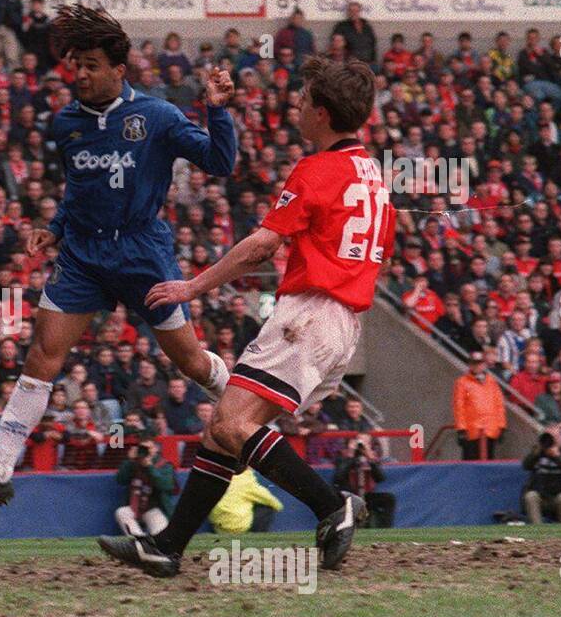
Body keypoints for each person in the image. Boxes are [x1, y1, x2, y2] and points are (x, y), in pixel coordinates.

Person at [98, 55, 394, 578]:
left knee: (233, 424)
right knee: (222, 432)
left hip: (309, 314)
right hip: (344, 323)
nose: (297, 109)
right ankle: (168, 546)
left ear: (322, 114)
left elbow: (261, 247)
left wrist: (193, 285)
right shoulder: (373, 174)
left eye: (303, 102)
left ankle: (331, 504)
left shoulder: (316, 169)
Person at [0, 4, 236, 518]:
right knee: (42, 355)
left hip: (143, 254)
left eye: (90, 65)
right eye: (74, 64)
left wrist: (216, 109)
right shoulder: (66, 123)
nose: (79, 74)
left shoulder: (157, 116)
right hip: (82, 253)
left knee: (190, 363)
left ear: (118, 69)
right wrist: (54, 229)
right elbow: (79, 190)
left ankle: (251, 407)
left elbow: (221, 162)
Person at [113, 439, 177, 538]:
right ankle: (139, 541)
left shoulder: (164, 465)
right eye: (143, 448)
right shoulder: (133, 464)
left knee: (161, 537)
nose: (146, 451)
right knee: (121, 512)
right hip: (134, 507)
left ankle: (150, 544)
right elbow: (120, 480)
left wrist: (150, 467)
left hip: (154, 509)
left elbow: (166, 485)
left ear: (156, 449)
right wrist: (129, 461)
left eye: (149, 448)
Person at [332, 433, 396, 529]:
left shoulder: (371, 457)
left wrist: (370, 459)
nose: (361, 445)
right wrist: (351, 455)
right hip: (349, 495)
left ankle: (384, 529)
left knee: (388, 499)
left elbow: (380, 478)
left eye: (366, 442)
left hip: (366, 495)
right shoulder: (343, 456)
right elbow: (338, 477)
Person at [452, 349, 506, 459]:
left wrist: (501, 426)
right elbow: (459, 406)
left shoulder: (492, 381)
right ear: (469, 364)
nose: (477, 366)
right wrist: (461, 429)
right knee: (470, 463)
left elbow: (499, 404)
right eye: (474, 363)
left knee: (489, 462)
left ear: (485, 364)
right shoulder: (462, 382)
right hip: (472, 431)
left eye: (480, 363)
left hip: (490, 430)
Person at [520, 429, 561, 525]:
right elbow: (526, 466)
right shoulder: (537, 451)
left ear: (560, 439)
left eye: (554, 437)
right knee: (530, 496)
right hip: (541, 495)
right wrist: (537, 453)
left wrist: (557, 457)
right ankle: (537, 530)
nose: (551, 441)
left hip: (559, 495)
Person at [208, 467, 283, 535]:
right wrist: (279, 506)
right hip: (239, 527)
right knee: (267, 508)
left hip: (219, 528)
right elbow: (268, 498)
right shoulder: (245, 480)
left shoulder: (215, 477)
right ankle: (258, 538)